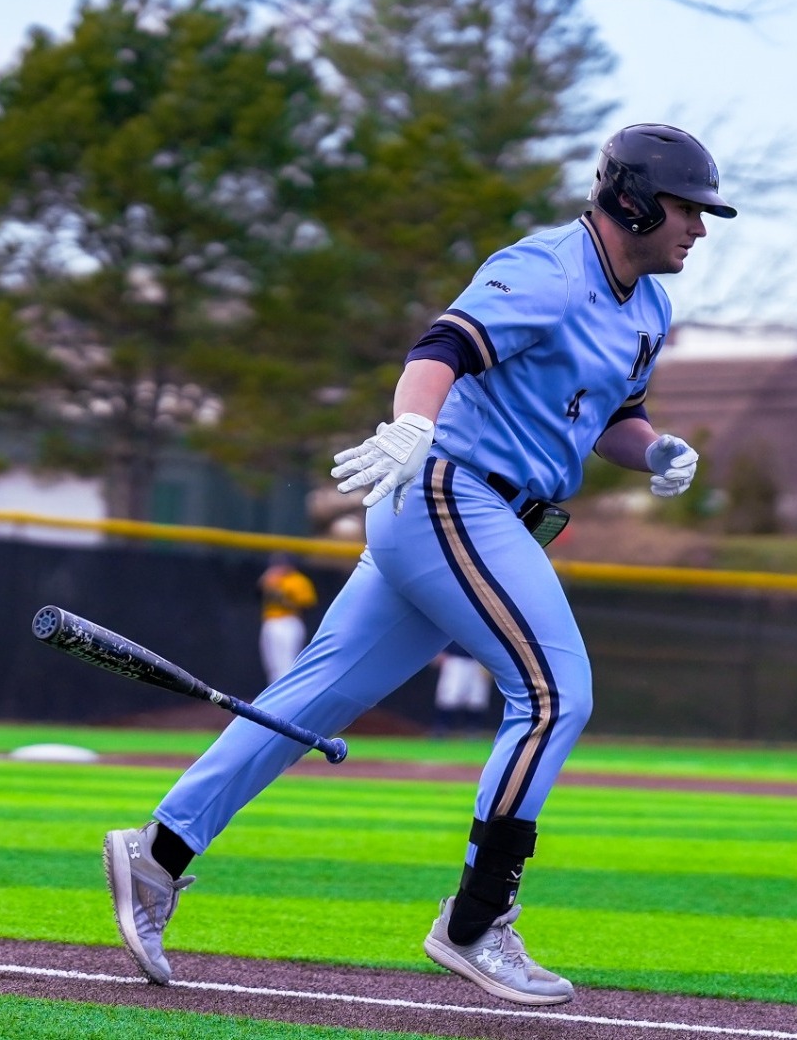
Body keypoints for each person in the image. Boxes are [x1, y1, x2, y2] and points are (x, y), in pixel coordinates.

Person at [104, 124, 727, 1006]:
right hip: (449, 490)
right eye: (686, 209)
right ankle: (474, 922)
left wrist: (654, 448)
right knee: (554, 696)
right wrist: (410, 425)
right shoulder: (549, 266)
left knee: (305, 700)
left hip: (482, 510)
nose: (697, 229)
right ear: (630, 198)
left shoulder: (648, 307)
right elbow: (440, 349)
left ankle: (156, 852)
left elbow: (608, 415)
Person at [257, 552, 317, 683]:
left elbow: (305, 607)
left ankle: (287, 699)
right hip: (270, 622)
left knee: (287, 664)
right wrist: (264, 584)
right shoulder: (270, 577)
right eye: (276, 564)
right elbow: (257, 595)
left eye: (282, 563)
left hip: (289, 623)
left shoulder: (299, 580)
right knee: (272, 665)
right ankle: (273, 699)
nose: (279, 567)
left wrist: (276, 590)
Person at [431, 644, 493, 737]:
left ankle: (473, 729)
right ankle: (442, 727)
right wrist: (439, 652)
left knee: (476, 697)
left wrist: (490, 662)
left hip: (479, 661)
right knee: (449, 695)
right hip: (455, 658)